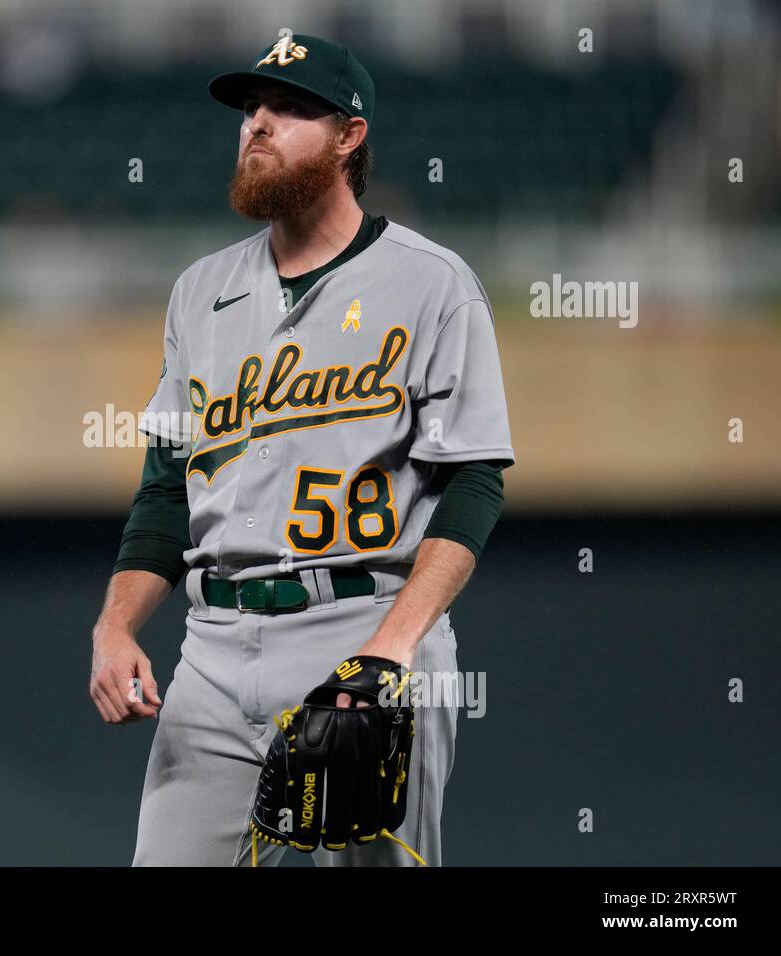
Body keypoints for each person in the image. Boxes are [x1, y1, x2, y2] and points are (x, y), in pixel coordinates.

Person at [88, 33, 515, 867]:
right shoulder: (200, 291)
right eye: (252, 108)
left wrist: (392, 651)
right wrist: (115, 624)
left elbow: (473, 483)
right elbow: (167, 490)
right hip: (211, 650)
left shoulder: (432, 283)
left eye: (289, 107)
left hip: (364, 629)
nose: (258, 123)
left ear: (350, 135)